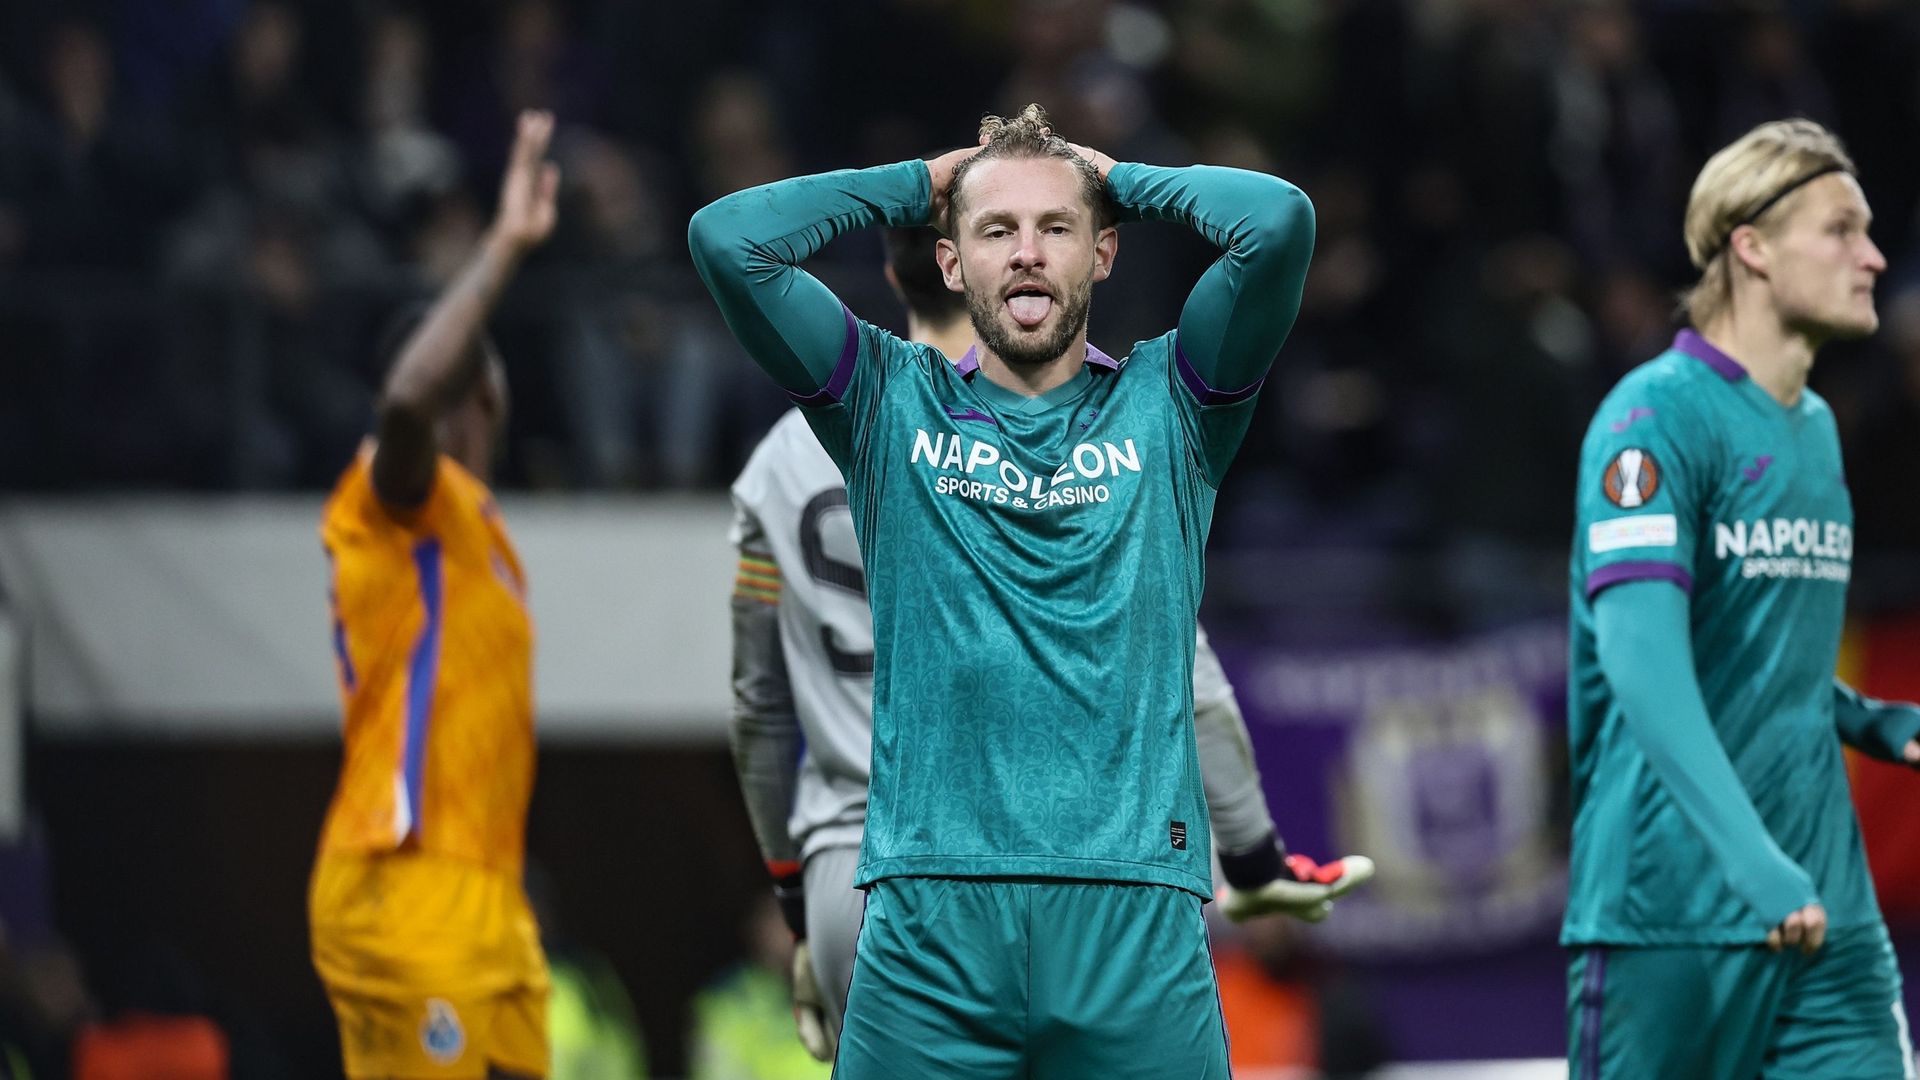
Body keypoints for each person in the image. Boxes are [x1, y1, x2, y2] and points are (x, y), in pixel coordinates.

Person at [691, 103, 1317, 1076]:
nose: (1027, 253)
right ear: (951, 264)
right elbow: (727, 242)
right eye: (996, 231)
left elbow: (1278, 222)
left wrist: (1122, 176)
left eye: (1056, 228)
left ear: (1103, 253)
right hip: (928, 932)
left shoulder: (1174, 404)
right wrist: (915, 184)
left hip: (1135, 928)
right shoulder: (884, 399)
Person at [1564, 117, 1920, 1079]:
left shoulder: (1815, 431)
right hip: (1669, 911)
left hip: (1827, 910)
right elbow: (1641, 659)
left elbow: (1754, 639)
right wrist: (1751, 864)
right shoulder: (1653, 418)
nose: (1875, 256)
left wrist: (1862, 718)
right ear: (1751, 247)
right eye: (1841, 230)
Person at [310, 110, 559, 1080]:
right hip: (406, 883)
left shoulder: (483, 534)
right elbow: (409, 402)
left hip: (488, 899)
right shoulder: (388, 499)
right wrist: (501, 247)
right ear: (482, 396)